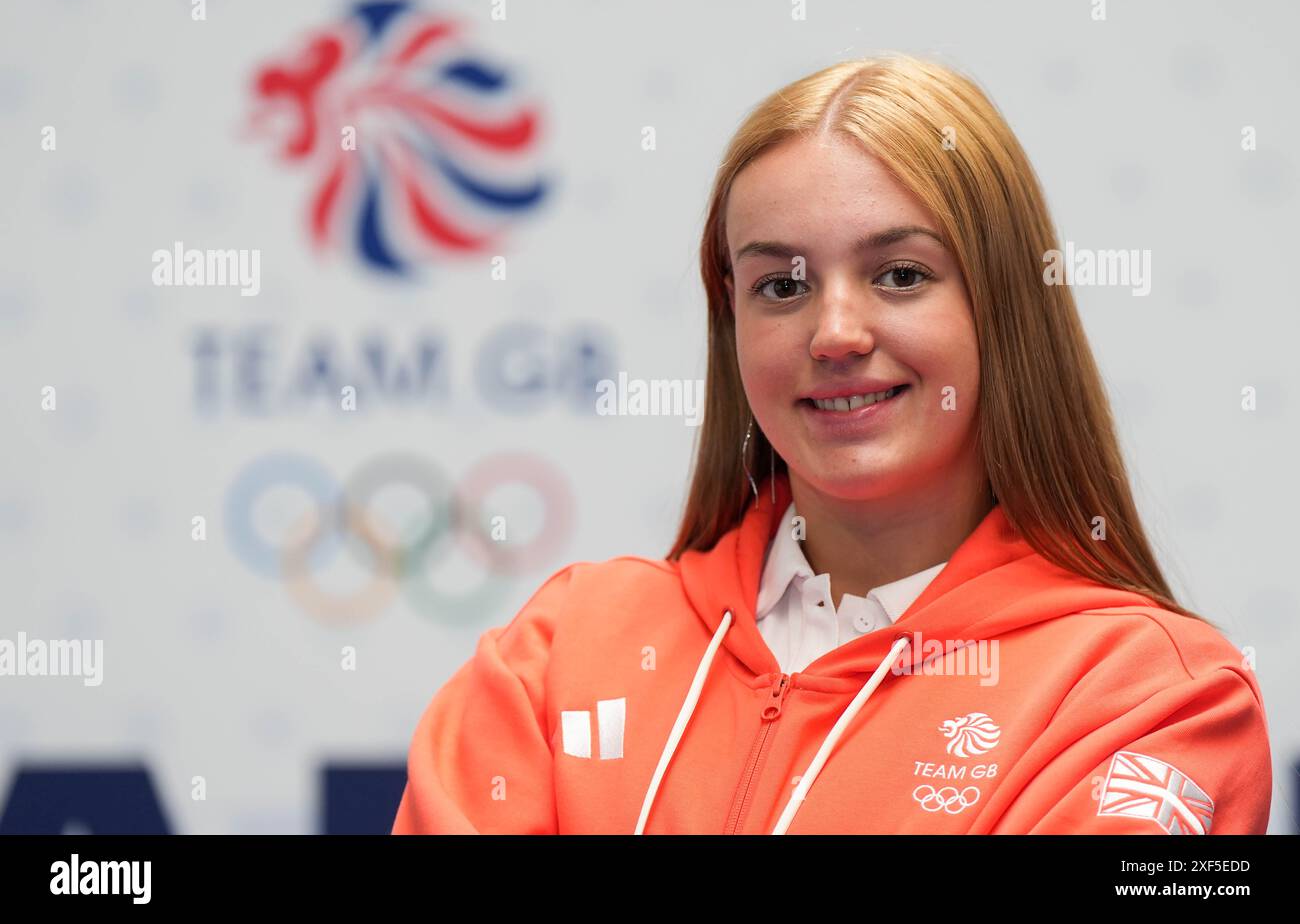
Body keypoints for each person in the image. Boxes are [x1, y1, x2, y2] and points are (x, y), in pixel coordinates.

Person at [391, 53, 1272, 834]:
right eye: (781, 285)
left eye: (900, 275)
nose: (835, 332)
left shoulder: (1157, 699)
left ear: (1005, 307)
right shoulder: (558, 654)